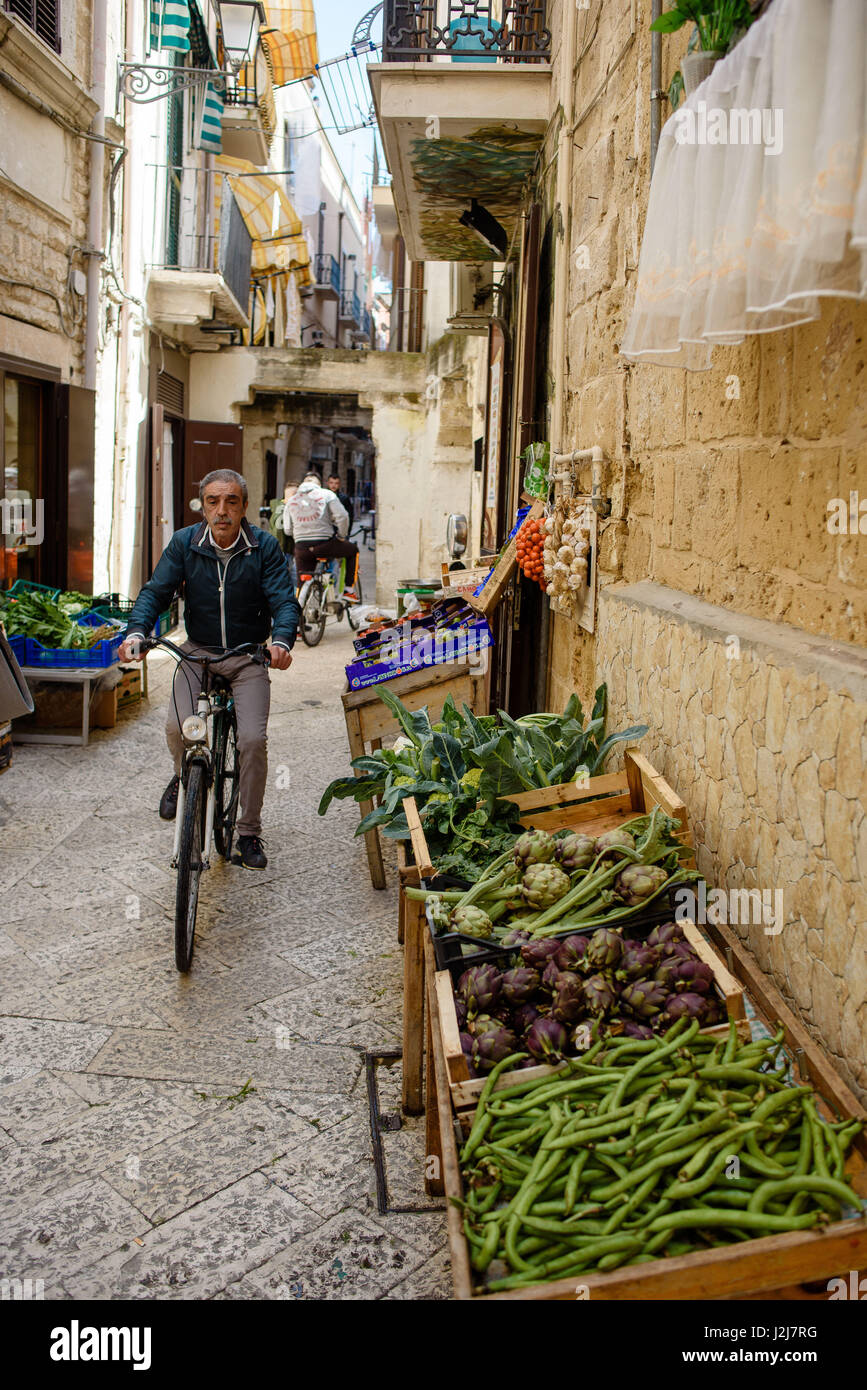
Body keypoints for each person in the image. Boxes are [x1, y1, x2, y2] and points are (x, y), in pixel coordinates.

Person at [118, 468, 300, 870]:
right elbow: (156, 592)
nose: (222, 510)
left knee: (252, 740)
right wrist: (137, 633)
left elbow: (284, 602)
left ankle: (248, 832)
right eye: (213, 501)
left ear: (244, 507)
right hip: (197, 652)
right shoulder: (184, 543)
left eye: (231, 501)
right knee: (175, 728)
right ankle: (186, 777)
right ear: (203, 506)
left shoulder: (264, 547)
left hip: (248, 656)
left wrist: (281, 641)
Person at [284, 468, 359, 600]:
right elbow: (342, 516)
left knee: (302, 582)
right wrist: (341, 536)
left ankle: (300, 609)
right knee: (353, 550)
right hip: (325, 544)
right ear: (319, 485)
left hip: (302, 548)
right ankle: (348, 591)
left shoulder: (292, 500)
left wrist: (300, 535)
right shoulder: (327, 494)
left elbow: (287, 529)